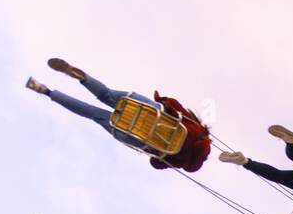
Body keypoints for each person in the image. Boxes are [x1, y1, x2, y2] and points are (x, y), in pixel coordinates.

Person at [26, 59, 211, 172]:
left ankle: (83, 78)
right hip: (136, 133)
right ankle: (45, 91)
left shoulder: (199, 130)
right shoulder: (183, 162)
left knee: (105, 94)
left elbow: (174, 106)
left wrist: (162, 100)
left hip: (147, 109)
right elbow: (156, 163)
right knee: (92, 113)